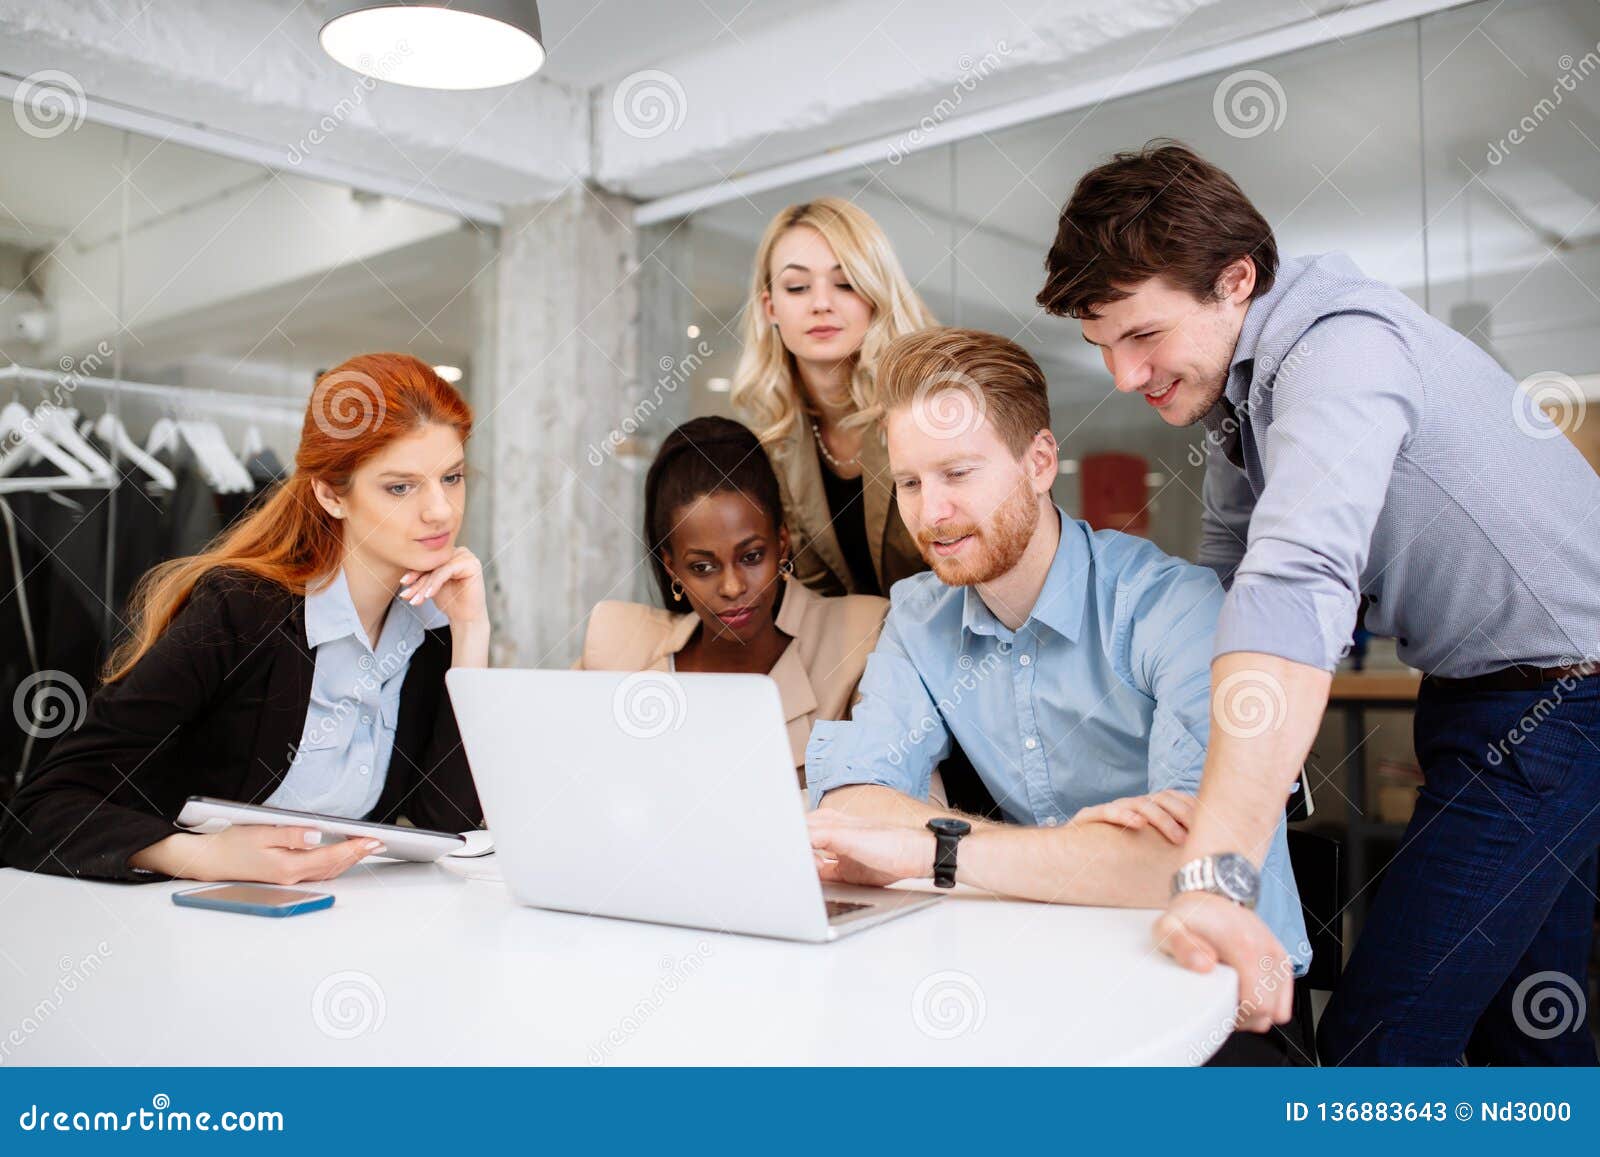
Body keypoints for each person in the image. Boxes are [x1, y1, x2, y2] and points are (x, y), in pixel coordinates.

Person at [1039, 139, 1600, 1064]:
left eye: (1142, 336)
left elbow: (1294, 586)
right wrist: (1182, 788)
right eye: (1104, 348)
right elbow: (1222, 593)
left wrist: (1214, 874)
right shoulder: (1239, 404)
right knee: (1530, 1025)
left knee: (1379, 1040)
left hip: (1559, 702)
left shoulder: (1342, 352)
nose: (1124, 377)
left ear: (1235, 280)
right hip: (1484, 695)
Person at [802, 327, 1309, 1060]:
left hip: (1222, 996)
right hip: (1046, 977)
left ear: (1040, 462)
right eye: (910, 482)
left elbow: (1186, 866)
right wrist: (1078, 852)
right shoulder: (920, 614)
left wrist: (933, 852)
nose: (930, 513)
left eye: (958, 473)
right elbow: (850, 805)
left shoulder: (1174, 606)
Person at [0, 353, 489, 885]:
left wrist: (471, 633)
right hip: (187, 935)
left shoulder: (433, 623)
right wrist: (200, 856)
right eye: (401, 487)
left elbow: (448, 821)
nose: (440, 510)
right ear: (330, 494)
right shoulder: (240, 612)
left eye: (452, 477)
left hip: (338, 930)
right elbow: (40, 810)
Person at [578, 416, 921, 793]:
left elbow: (909, 807)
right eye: (703, 567)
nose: (732, 586)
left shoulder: (863, 639)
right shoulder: (617, 649)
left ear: (782, 543)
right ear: (672, 568)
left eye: (752, 556)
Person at [731, 196, 935, 599]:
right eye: (797, 287)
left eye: (845, 283)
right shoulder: (774, 447)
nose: (821, 303)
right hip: (845, 658)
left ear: (876, 297)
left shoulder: (935, 410)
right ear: (771, 307)